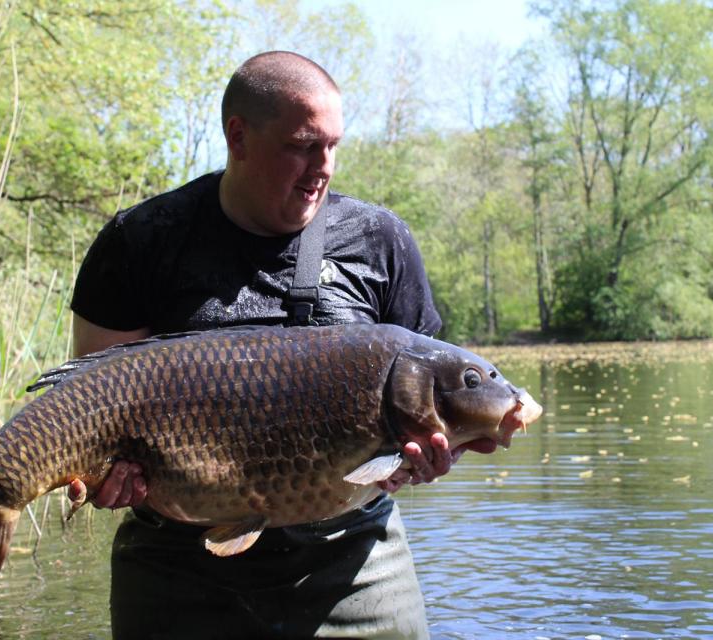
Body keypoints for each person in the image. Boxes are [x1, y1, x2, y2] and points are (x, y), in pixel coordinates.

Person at [70, 50, 465, 640]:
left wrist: (437, 455)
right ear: (239, 136)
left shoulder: (380, 241)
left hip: (355, 562)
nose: (322, 167)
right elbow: (87, 406)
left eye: (333, 145)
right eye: (303, 145)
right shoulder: (141, 241)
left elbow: (432, 402)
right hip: (175, 566)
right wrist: (101, 477)